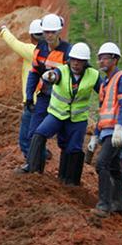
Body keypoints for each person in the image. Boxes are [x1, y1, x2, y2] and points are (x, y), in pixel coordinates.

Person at [24, 42, 100, 186]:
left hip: (77, 119)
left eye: (80, 61)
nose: (76, 64)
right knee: (39, 134)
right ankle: (33, 171)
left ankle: (70, 182)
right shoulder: (62, 70)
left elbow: (103, 91)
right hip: (57, 115)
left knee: (74, 148)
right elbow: (55, 76)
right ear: (69, 59)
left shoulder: (93, 75)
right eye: (74, 60)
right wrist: (50, 76)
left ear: (85, 62)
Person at [18, 12, 70, 172]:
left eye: (52, 32)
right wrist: (29, 97)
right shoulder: (40, 48)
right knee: (34, 132)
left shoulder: (67, 51)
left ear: (59, 31)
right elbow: (34, 73)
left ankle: (66, 173)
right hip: (44, 97)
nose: (49, 35)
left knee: (65, 137)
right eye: (46, 32)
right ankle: (34, 168)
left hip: (62, 100)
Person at [88, 42, 122, 217]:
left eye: (105, 58)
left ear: (115, 59)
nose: (101, 61)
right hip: (107, 130)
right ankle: (118, 205)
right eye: (99, 58)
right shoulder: (105, 83)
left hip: (117, 131)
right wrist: (95, 135)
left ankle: (104, 205)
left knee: (102, 163)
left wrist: (119, 127)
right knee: (114, 167)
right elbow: (103, 111)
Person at [0, 17, 42, 160]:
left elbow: (14, 43)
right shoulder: (50, 53)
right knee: (38, 133)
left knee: (25, 139)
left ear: (31, 36)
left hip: (33, 102)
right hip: (44, 102)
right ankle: (41, 155)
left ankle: (32, 162)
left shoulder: (32, 51)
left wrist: (3, 30)